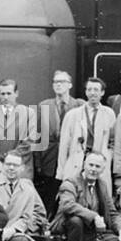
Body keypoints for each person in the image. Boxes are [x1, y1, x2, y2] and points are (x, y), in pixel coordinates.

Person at [55, 151, 121, 241]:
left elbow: (113, 212)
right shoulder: (71, 182)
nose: (93, 169)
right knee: (76, 221)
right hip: (70, 232)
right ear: (84, 164)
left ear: (102, 170)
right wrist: (94, 216)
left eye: (97, 166)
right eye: (91, 165)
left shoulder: (102, 186)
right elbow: (67, 205)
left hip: (94, 233)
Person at [0, 150, 49, 241]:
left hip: (16, 233)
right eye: (8, 164)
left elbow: (31, 215)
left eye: (15, 165)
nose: (11, 168)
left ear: (22, 168)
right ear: (3, 166)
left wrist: (14, 230)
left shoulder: (28, 189)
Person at [35, 70, 81, 209]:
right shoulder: (44, 105)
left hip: (70, 157)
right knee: (49, 194)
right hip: (49, 158)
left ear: (70, 85)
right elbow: (37, 136)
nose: (58, 85)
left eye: (62, 82)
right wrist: (38, 161)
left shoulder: (79, 105)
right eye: (56, 82)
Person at [57, 77, 116, 181]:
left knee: (98, 194)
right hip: (76, 164)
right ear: (85, 92)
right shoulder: (72, 115)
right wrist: (61, 171)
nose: (92, 93)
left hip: (98, 165)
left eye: (96, 90)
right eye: (89, 90)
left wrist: (106, 157)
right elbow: (63, 145)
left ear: (102, 92)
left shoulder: (109, 114)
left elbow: (112, 142)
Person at [0, 79, 35, 176]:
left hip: (20, 169)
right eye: (3, 94)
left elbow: (30, 140)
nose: (6, 97)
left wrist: (10, 157)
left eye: (9, 93)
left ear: (16, 93)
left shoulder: (28, 114)